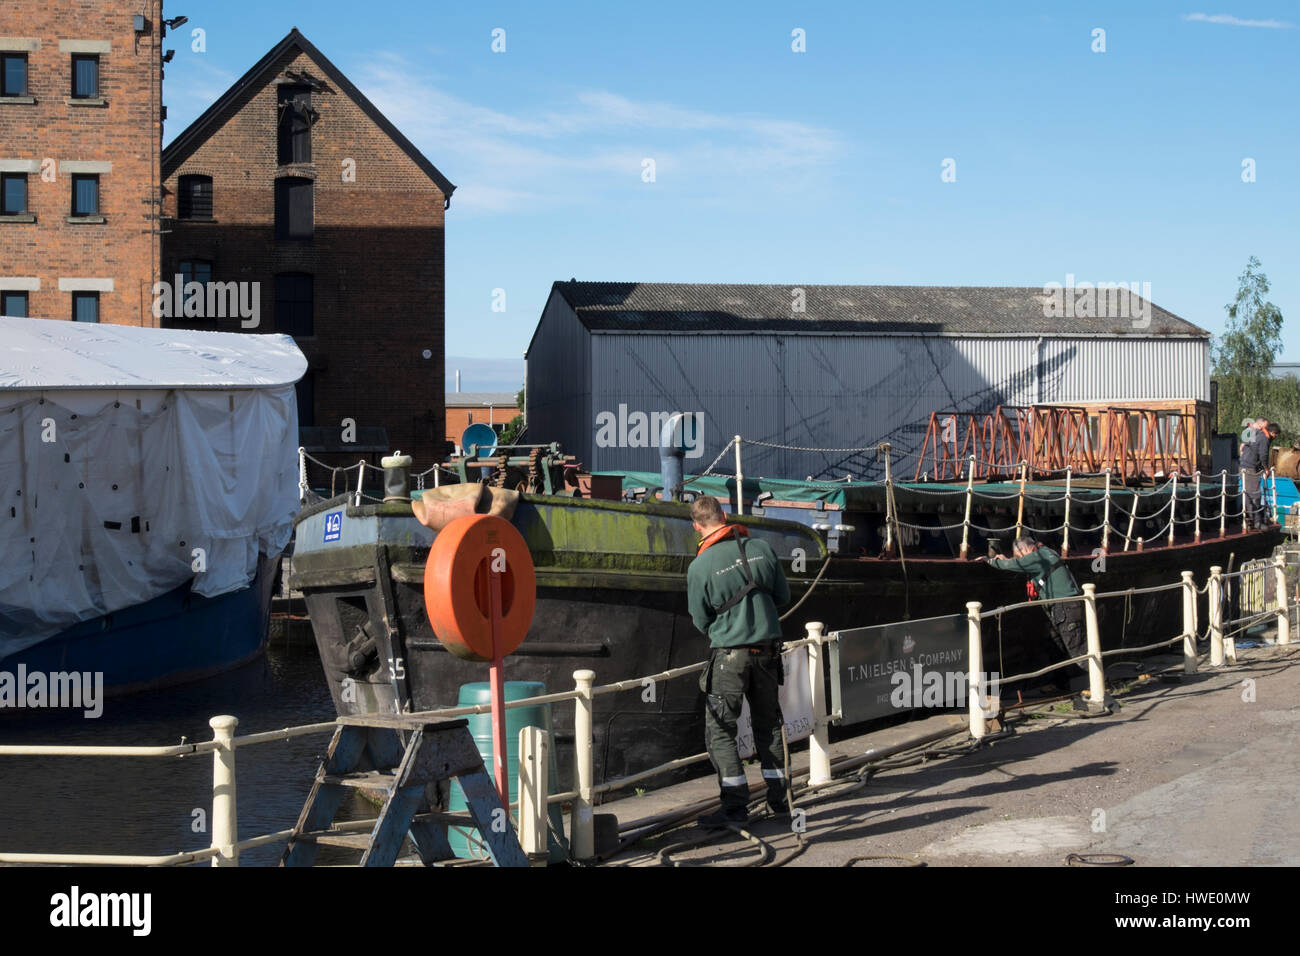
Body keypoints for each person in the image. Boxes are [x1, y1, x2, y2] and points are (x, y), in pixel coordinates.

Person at [686, 495, 791, 827]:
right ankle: (781, 801)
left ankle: (734, 808)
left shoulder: (700, 566)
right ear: (725, 515)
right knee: (768, 726)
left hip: (729, 657)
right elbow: (783, 597)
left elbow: (699, 619)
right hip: (768, 652)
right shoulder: (761, 547)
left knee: (720, 730)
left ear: (697, 527)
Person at [975, 535, 1085, 691]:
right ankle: (1061, 684)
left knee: (1077, 649)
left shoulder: (1039, 557)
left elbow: (1013, 565)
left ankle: (1099, 686)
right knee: (1055, 648)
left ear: (1025, 549)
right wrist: (1010, 560)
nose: (1019, 559)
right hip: (1063, 607)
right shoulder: (1046, 553)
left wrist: (990, 560)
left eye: (1019, 555)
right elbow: (1020, 563)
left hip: (1065, 607)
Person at [1241, 421, 1279, 529]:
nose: (1275, 437)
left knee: (1248, 494)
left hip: (1244, 465)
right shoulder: (1264, 438)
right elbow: (1263, 454)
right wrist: (1265, 468)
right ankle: (1257, 522)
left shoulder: (1257, 434)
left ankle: (1250, 520)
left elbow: (1247, 446)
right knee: (1255, 494)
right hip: (1250, 467)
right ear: (1272, 432)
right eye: (1275, 435)